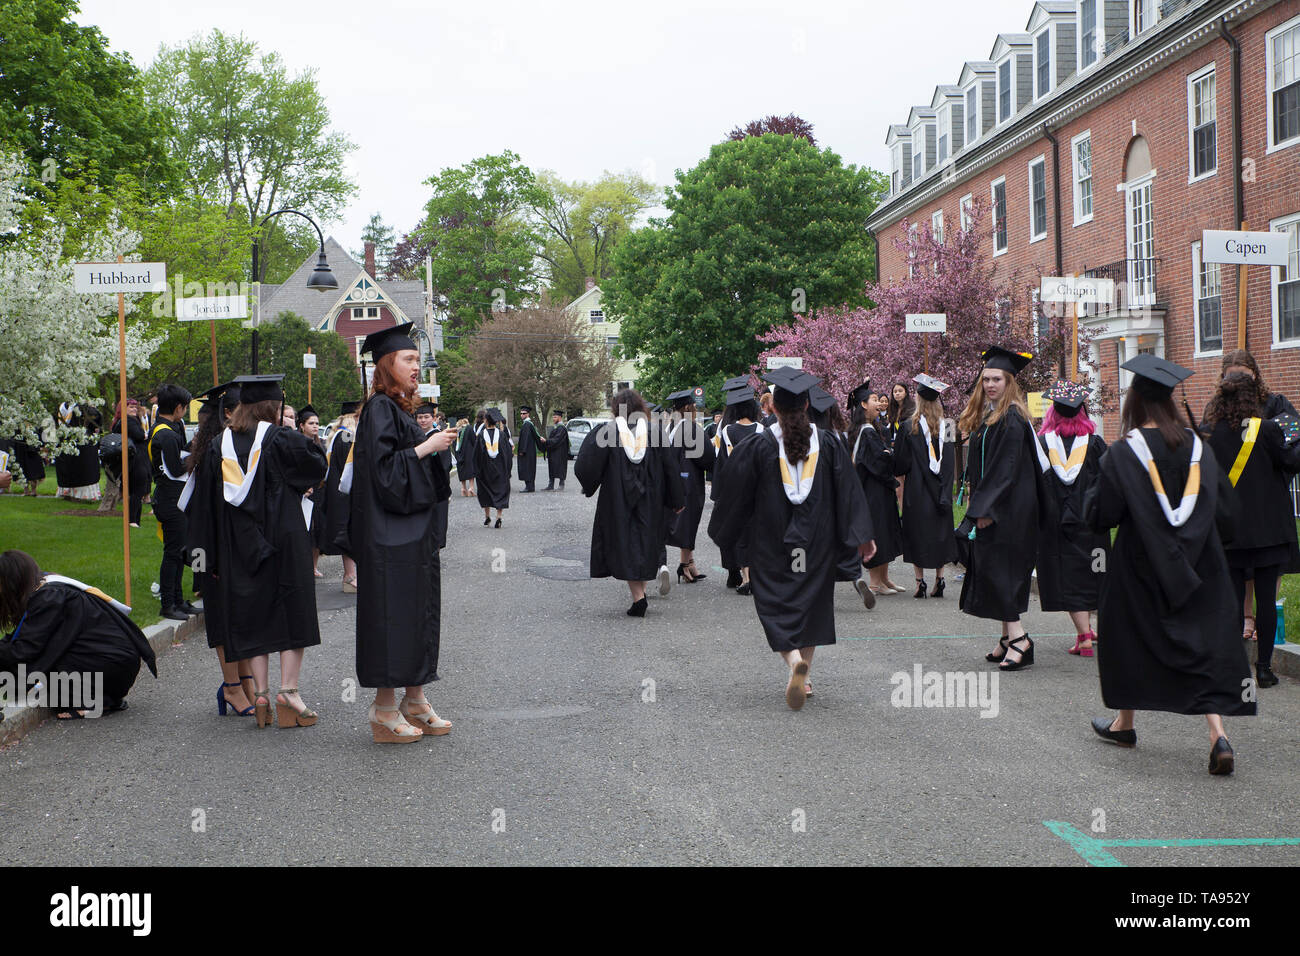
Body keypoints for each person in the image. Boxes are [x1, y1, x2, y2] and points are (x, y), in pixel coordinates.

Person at [1085, 354, 1255, 775]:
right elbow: (1228, 516)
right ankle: (1219, 735)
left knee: (1127, 636)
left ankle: (1125, 722)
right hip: (1201, 565)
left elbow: (1101, 513)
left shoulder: (1124, 453)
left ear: (1135, 401)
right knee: (1204, 643)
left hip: (1140, 565)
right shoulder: (1199, 447)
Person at [708, 368, 875, 710]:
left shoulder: (759, 444)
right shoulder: (828, 442)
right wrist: (862, 535)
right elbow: (850, 493)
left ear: (773, 408)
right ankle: (806, 675)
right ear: (806, 406)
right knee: (811, 603)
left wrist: (726, 532)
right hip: (817, 542)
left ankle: (793, 661)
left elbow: (734, 493)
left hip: (772, 542)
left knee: (774, 603)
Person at [191, 374, 328, 729]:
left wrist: (208, 559)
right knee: (291, 611)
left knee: (253, 616)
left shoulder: (218, 445)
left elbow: (204, 505)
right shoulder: (282, 438)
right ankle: (289, 692)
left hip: (238, 546)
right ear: (273, 408)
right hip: (284, 541)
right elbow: (317, 466)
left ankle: (262, 694)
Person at [346, 324, 456, 744]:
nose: (416, 366)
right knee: (393, 617)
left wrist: (428, 444)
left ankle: (415, 698)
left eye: (416, 359)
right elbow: (384, 474)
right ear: (387, 364)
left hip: (411, 537)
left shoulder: (398, 409)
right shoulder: (378, 409)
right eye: (408, 359)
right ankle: (384, 709)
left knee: (416, 614)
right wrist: (428, 447)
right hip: (388, 539)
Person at [1203, 369, 1300, 688]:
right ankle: (1263, 669)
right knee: (1266, 602)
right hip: (1268, 530)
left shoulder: (1211, 433)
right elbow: (1291, 463)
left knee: (1231, 601)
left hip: (1229, 529)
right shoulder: (1268, 429)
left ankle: (1233, 670)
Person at [956, 347, 1039, 671]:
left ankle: (1020, 639)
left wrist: (985, 509)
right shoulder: (993, 416)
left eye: (997, 379)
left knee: (1002, 572)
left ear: (1009, 382)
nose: (990, 384)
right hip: (998, 506)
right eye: (986, 379)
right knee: (994, 568)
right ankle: (1007, 638)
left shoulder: (1013, 420)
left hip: (1009, 512)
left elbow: (1005, 471)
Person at [0, 550, 157, 718]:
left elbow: (24, 650)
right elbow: (25, 637)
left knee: (44, 681)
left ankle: (95, 701)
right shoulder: (47, 589)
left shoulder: (50, 597)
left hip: (107, 668)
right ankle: (101, 698)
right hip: (115, 666)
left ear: (11, 582)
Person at [576, 388, 685, 617]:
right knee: (646, 543)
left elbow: (586, 464)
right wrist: (677, 498)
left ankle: (639, 597)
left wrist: (589, 486)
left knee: (625, 544)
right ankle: (640, 595)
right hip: (652, 499)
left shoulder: (607, 432)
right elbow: (671, 468)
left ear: (617, 409)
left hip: (617, 500)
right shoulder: (656, 432)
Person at [183, 381, 255, 716]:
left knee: (242, 616)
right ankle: (231, 687)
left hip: (234, 546)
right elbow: (202, 513)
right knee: (224, 618)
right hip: (214, 549)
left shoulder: (231, 445)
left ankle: (245, 680)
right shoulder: (214, 451)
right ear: (228, 412)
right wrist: (204, 561)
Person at [1033, 379, 1109, 656]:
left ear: (1051, 412)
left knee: (1065, 576)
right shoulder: (1096, 444)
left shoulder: (1042, 444)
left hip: (1054, 523)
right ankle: (1087, 631)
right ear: (1082, 412)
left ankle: (1084, 636)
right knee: (1089, 573)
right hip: (1089, 522)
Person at [893, 374, 958, 598]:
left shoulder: (908, 427)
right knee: (939, 532)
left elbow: (900, 463)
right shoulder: (948, 426)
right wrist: (945, 491)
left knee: (916, 534)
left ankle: (920, 582)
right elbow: (949, 463)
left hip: (917, 490)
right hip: (941, 488)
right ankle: (940, 579)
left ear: (918, 401)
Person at [851, 386, 905, 596]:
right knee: (879, 531)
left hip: (880, 489)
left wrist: (887, 454)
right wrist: (889, 456)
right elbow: (876, 462)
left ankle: (884, 579)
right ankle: (874, 583)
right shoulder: (865, 431)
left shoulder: (874, 428)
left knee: (886, 531)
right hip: (873, 491)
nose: (879, 402)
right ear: (863, 405)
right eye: (874, 399)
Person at [711, 385, 765, 593]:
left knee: (734, 530)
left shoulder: (726, 431)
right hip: (756, 489)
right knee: (752, 532)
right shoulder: (762, 430)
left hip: (733, 489)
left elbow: (721, 462)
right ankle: (751, 575)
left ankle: (740, 574)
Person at [148, 384, 195, 622]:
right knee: (173, 553)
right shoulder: (164, 434)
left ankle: (178, 600)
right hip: (170, 498)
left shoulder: (170, 428)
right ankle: (168, 603)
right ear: (178, 407)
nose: (185, 412)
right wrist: (195, 454)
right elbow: (175, 469)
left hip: (175, 497)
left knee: (179, 552)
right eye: (185, 407)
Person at [665, 389, 716, 583]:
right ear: (688, 407)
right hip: (690, 482)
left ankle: (690, 562)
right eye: (693, 405)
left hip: (675, 481)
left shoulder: (670, 427)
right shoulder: (692, 428)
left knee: (684, 522)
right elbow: (707, 457)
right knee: (689, 521)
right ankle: (684, 566)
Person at [319, 401, 360, 592]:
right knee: (348, 530)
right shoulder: (346, 437)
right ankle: (350, 576)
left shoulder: (337, 435)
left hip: (336, 491)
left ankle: (350, 575)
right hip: (344, 493)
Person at [296, 405, 327, 577]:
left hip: (318, 492)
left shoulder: (321, 444)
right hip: (302, 492)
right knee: (304, 531)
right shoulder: (295, 442)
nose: (315, 426)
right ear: (302, 425)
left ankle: (313, 566)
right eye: (311, 423)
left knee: (317, 531)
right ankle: (303, 566)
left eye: (316, 423)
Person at [416, 402, 451, 550]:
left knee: (436, 525)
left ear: (433, 418)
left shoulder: (439, 437)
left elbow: (445, 465)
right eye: (419, 417)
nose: (423, 420)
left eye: (426, 417)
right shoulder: (415, 437)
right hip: (418, 490)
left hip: (436, 489)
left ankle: (433, 555)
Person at [54, 402, 102, 501]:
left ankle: (80, 495)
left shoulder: (83, 406)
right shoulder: (62, 407)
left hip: (83, 443)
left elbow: (96, 420)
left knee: (81, 470)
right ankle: (68, 493)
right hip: (66, 442)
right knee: (67, 468)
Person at [474, 408, 512, 527]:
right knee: (500, 492)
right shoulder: (501, 435)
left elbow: (476, 455)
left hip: (485, 471)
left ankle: (487, 516)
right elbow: (508, 455)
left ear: (485, 420)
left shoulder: (480, 436)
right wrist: (508, 470)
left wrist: (477, 470)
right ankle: (499, 517)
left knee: (485, 492)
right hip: (500, 470)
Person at [516, 405, 543, 493]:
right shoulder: (528, 424)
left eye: (524, 413)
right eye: (521, 413)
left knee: (528, 468)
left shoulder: (527, 424)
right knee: (529, 468)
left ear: (528, 414)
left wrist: (522, 450)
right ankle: (530, 486)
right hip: (529, 451)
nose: (522, 415)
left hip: (527, 451)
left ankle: (529, 487)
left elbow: (525, 438)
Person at [456, 412, 480, 497]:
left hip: (459, 453)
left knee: (462, 470)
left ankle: (463, 488)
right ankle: (471, 488)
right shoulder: (469, 428)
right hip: (469, 453)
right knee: (470, 470)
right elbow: (474, 440)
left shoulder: (457, 430)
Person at [544, 410, 569, 491]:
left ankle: (561, 484)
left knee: (560, 467)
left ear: (560, 417)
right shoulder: (556, 427)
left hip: (560, 453)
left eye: (555, 417)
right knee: (552, 467)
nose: (553, 419)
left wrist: (546, 441)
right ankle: (551, 484)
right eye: (553, 417)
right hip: (554, 452)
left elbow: (556, 440)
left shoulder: (561, 428)